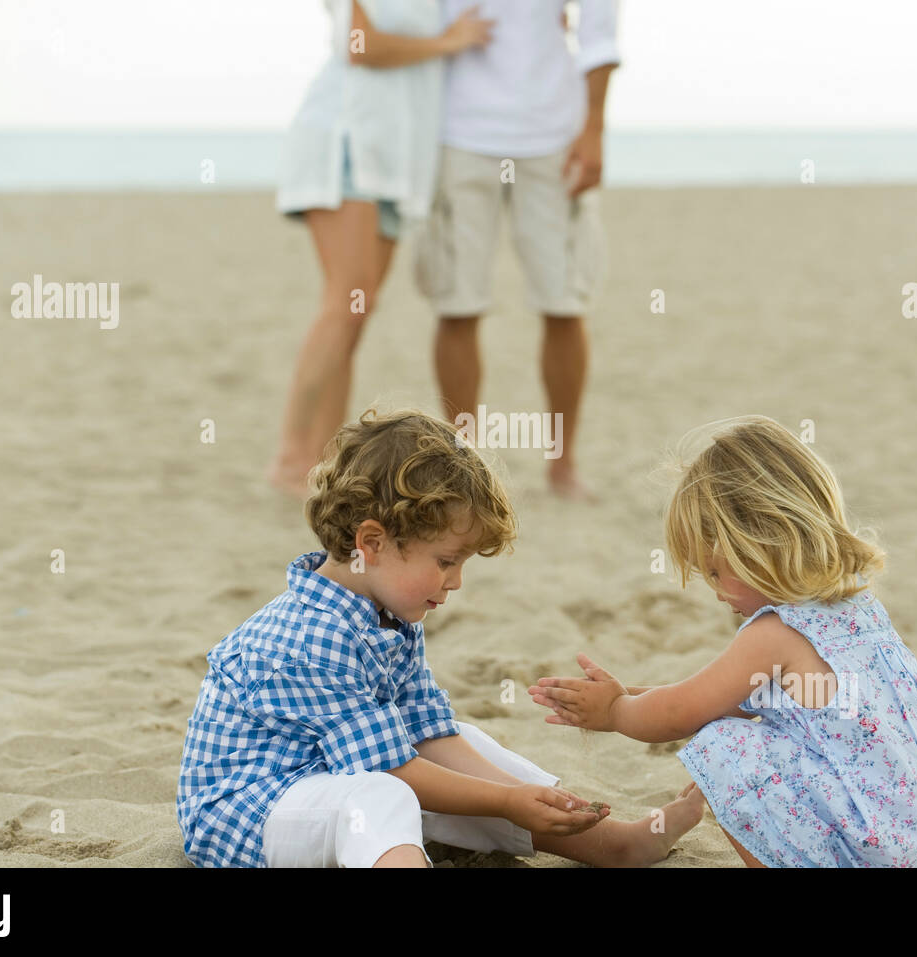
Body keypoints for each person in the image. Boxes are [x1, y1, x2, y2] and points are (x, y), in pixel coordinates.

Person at [179, 408, 706, 867]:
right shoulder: (309, 637)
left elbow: (430, 734)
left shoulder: (390, 616)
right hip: (247, 816)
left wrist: (522, 794)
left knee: (466, 745)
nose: (455, 581)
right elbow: (386, 766)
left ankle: (612, 844)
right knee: (384, 794)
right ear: (372, 542)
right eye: (446, 561)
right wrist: (504, 802)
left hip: (328, 786)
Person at [529, 415, 917, 867]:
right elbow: (714, 698)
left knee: (724, 746)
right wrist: (626, 695)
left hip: (876, 846)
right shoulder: (856, 606)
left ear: (759, 544)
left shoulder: (774, 635)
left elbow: (683, 713)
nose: (716, 590)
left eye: (717, 571)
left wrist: (615, 712)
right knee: (733, 728)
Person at [267, 1, 494, 496]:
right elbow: (360, 45)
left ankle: (324, 464)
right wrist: (448, 42)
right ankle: (291, 456)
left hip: (396, 162)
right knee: (346, 304)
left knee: (357, 312)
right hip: (346, 142)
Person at [415, 0, 620, 500]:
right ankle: (464, 466)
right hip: (457, 133)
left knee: (565, 305)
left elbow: (600, 33)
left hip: (554, 134)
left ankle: (563, 466)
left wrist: (593, 129)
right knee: (458, 305)